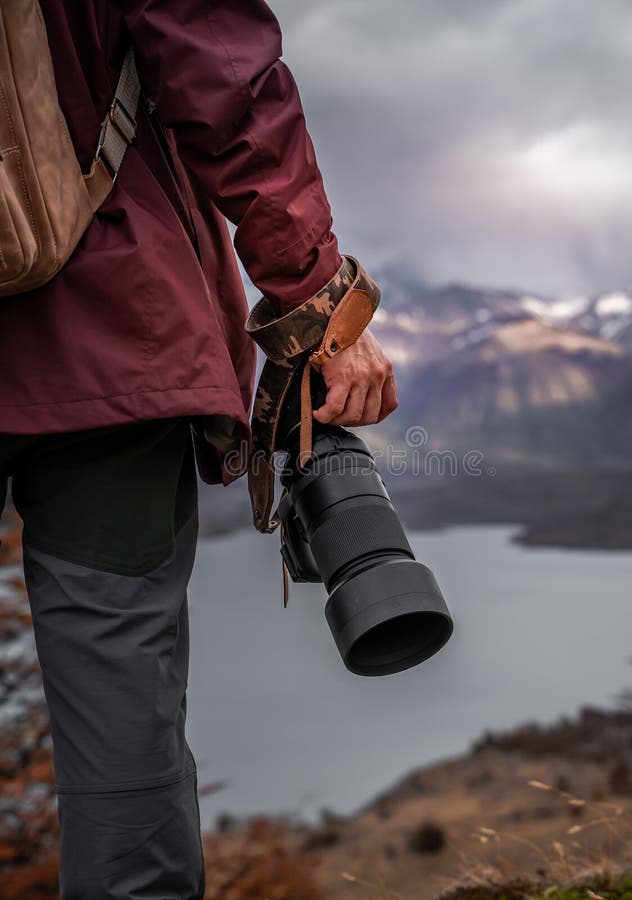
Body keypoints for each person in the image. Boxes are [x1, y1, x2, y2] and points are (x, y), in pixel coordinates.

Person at [0, 1, 397, 897]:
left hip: (115, 347)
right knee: (121, 719)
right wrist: (318, 302)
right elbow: (223, 77)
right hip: (109, 324)